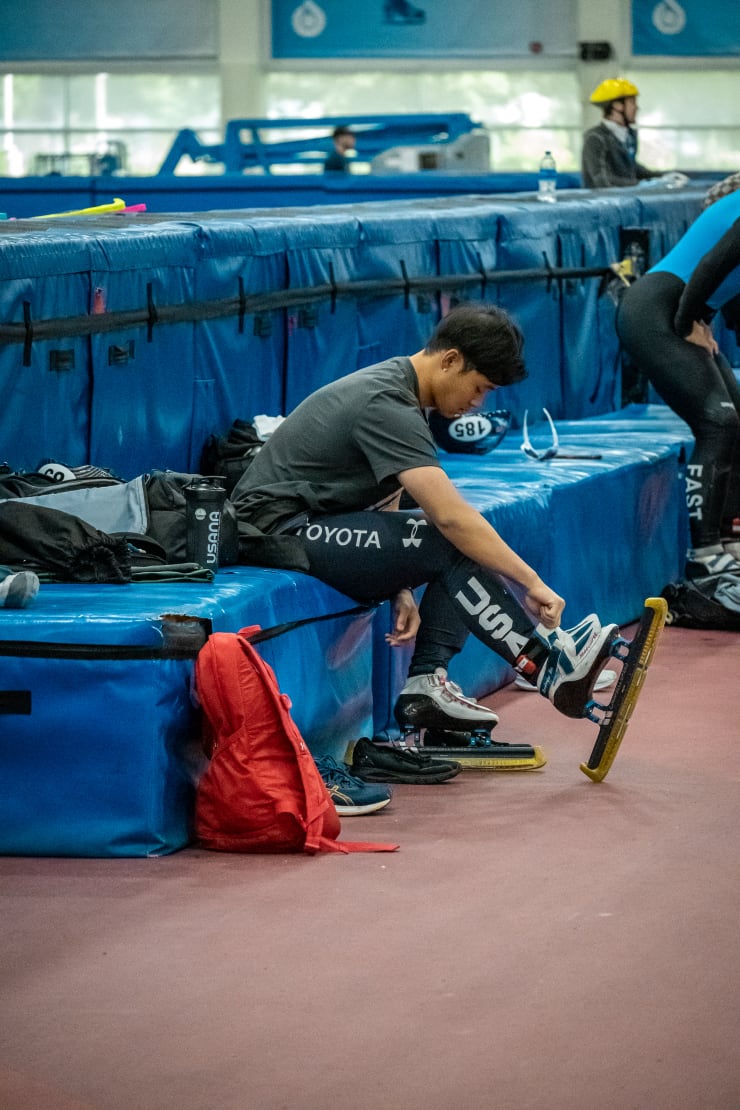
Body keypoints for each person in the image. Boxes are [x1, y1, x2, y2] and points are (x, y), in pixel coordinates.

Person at [231, 302, 619, 736]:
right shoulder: (388, 402)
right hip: (276, 530)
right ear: (451, 360)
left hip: (315, 523)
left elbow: (392, 497)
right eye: (479, 387)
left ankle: (426, 686)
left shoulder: (403, 393)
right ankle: (545, 668)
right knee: (449, 537)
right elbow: (449, 518)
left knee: (455, 540)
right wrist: (532, 582)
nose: (478, 403)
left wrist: (399, 581)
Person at [616, 189, 740, 580]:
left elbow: (732, 291)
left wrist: (702, 318)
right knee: (718, 422)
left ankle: (728, 539)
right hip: (656, 311)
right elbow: (712, 263)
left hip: (681, 308)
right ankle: (703, 551)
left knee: (737, 420)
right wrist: (689, 322)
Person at [581, 78, 661, 189]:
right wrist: (642, 185)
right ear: (617, 106)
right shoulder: (595, 138)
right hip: (603, 204)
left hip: (627, 202)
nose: (636, 107)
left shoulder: (630, 135)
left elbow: (632, 169)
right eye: (632, 102)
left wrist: (663, 178)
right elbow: (602, 180)